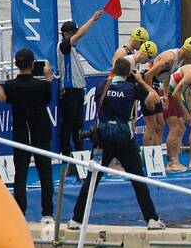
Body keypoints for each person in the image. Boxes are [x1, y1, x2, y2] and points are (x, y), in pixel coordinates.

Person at [66, 56, 164, 229]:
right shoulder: (132, 88)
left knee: (92, 180)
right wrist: (141, 81)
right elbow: (155, 99)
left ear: (114, 71)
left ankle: (76, 220)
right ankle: (151, 219)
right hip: (124, 140)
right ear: (128, 73)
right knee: (138, 180)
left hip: (103, 140)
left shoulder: (102, 86)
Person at [3, 48, 57, 222]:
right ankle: (47, 213)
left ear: (16, 65)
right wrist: (48, 80)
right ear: (33, 65)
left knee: (21, 174)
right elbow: (48, 99)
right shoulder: (41, 85)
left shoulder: (11, 85)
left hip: (20, 132)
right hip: (40, 131)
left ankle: (20, 212)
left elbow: (7, 98)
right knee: (45, 174)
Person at [57, 10, 105, 156]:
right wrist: (92, 19)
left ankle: (79, 152)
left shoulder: (71, 49)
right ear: (66, 34)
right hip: (69, 90)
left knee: (78, 124)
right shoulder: (63, 47)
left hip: (78, 90)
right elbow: (80, 35)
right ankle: (66, 153)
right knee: (68, 124)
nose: (76, 36)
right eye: (73, 33)